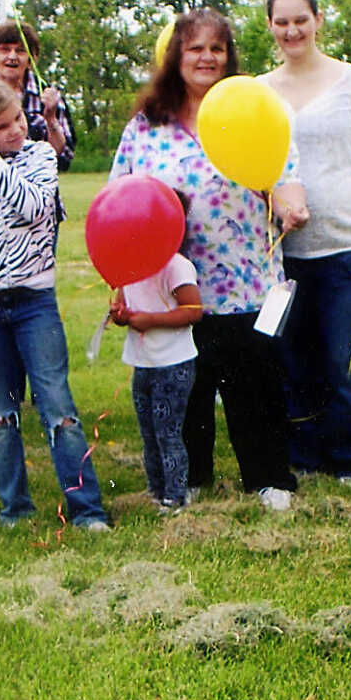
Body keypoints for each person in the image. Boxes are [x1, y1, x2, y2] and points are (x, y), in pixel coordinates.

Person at [109, 8, 304, 510]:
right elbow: (120, 201)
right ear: (176, 56)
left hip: (245, 276)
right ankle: (192, 477)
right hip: (171, 282)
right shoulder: (146, 126)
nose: (207, 57)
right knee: (186, 388)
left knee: (253, 384)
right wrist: (121, 279)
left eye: (217, 48)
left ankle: (268, 479)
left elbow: (283, 169)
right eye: (195, 48)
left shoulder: (254, 110)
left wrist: (289, 203)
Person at [0, 78, 109, 530]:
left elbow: (33, 206)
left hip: (34, 302)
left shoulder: (39, 157)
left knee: (58, 406)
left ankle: (86, 508)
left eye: (17, 119)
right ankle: (15, 507)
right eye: (1, 126)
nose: (15, 130)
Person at [259, 0, 351, 481]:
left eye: (301, 19)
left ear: (318, 20)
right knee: (292, 357)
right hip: (283, 247)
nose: (292, 30)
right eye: (282, 21)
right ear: (270, 26)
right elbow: (258, 166)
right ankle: (305, 454)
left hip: (350, 240)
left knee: (344, 358)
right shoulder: (260, 90)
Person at [110, 192, 204, 512]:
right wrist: (121, 315)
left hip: (173, 363)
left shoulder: (177, 267)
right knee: (149, 432)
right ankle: (155, 488)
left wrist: (150, 320)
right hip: (143, 362)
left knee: (168, 432)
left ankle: (175, 495)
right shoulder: (130, 265)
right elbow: (125, 304)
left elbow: (193, 310)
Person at [0, 22, 75, 171]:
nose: (12, 57)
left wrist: (51, 119)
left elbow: (61, 156)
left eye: (20, 51)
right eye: (5, 50)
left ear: (31, 59)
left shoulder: (48, 96)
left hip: (34, 182)